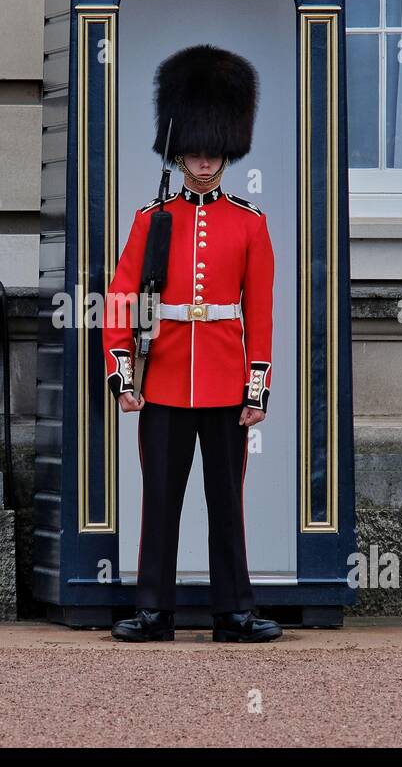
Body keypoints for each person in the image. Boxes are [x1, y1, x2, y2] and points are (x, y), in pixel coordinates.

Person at [103, 44, 282, 643]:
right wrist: (124, 374)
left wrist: (256, 388)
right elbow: (122, 297)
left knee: (226, 504)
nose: (203, 164)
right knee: (161, 502)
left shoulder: (249, 224)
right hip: (165, 379)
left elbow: (260, 313)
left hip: (226, 382)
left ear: (226, 152)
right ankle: (155, 611)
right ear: (179, 154)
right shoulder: (150, 218)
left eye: (212, 153)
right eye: (195, 154)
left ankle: (233, 612)